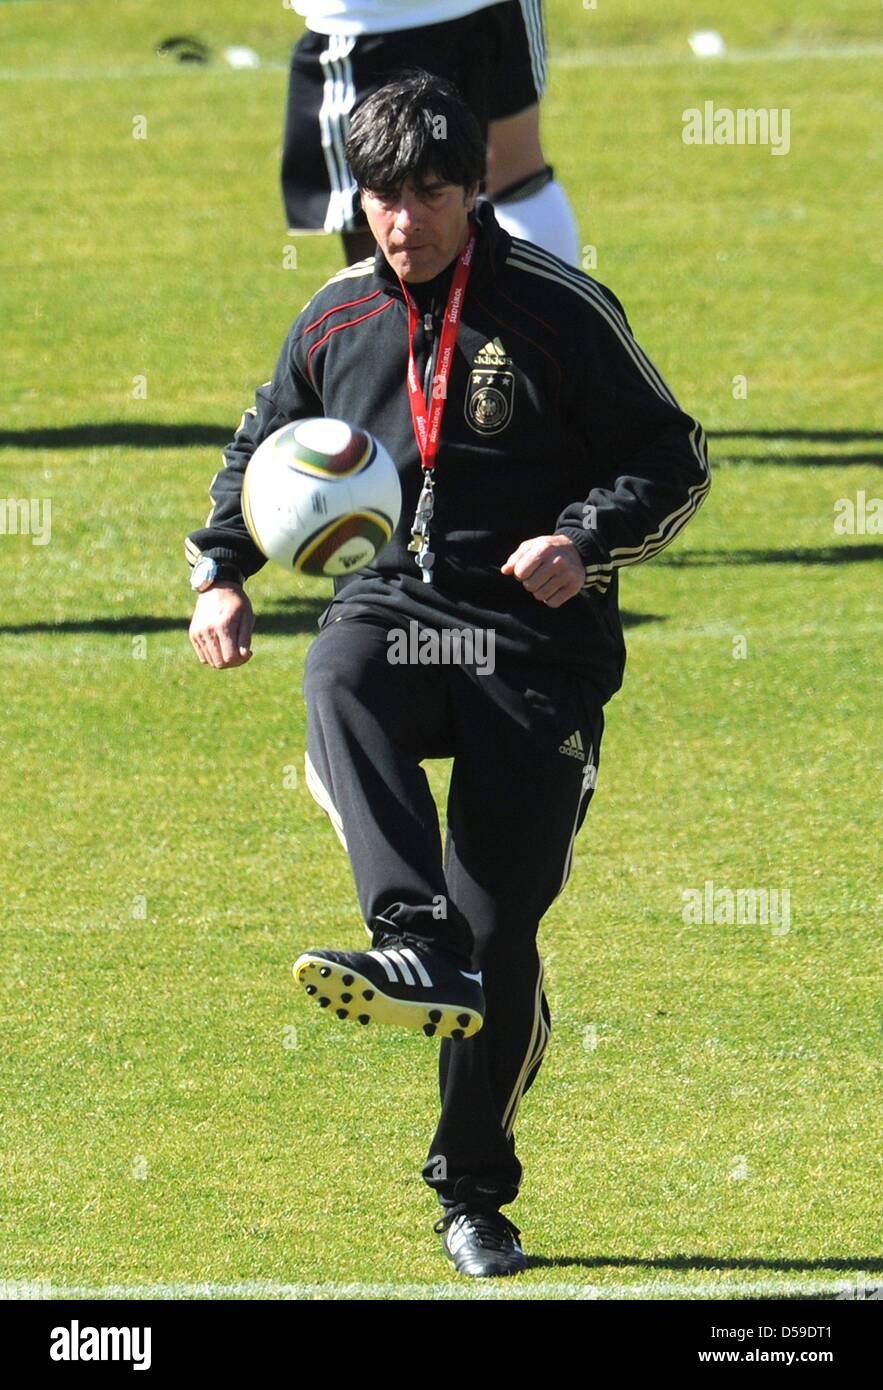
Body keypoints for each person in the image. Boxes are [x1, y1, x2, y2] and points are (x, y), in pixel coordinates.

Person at [186, 72, 710, 1278]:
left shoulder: (556, 310)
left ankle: (472, 1191)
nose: (403, 220)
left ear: (475, 190)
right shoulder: (330, 320)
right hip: (400, 607)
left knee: (502, 934)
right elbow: (259, 448)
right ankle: (404, 926)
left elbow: (672, 455)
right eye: (381, 196)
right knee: (343, 671)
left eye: (428, 193)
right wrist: (222, 571)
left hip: (533, 641)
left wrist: (582, 538)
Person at [281, 0, 580, 264]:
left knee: (385, 192)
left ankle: (407, 327)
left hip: (373, 19)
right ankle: (559, 326)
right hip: (494, 8)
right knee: (514, 175)